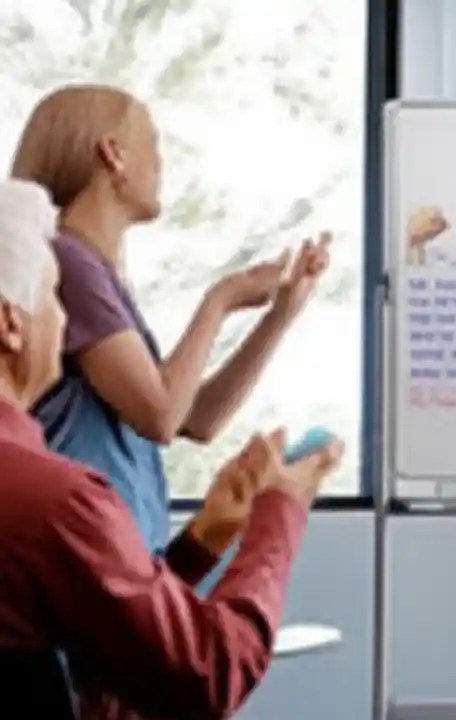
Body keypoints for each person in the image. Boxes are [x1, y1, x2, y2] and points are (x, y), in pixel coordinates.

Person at [0, 178, 343, 718]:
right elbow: (211, 673)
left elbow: (107, 629)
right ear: (9, 323)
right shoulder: (54, 503)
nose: (64, 322)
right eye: (52, 297)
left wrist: (204, 540)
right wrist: (281, 510)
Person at [10, 84, 331, 554]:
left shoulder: (96, 272)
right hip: (86, 553)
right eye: (152, 144)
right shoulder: (71, 263)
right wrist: (219, 300)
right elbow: (160, 416)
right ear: (113, 154)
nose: (161, 164)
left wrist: (280, 315)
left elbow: (196, 419)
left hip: (119, 553)